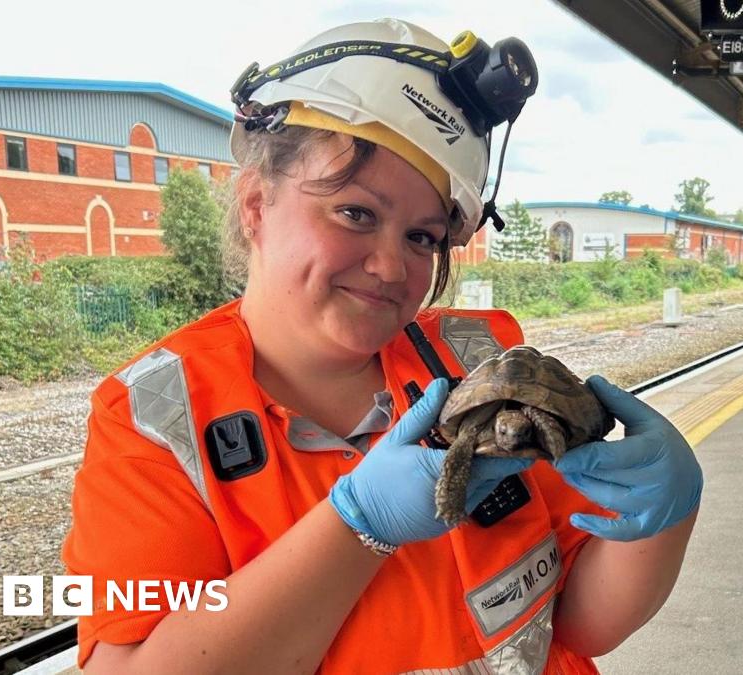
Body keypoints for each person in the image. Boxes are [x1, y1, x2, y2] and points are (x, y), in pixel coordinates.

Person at [62, 18, 702, 675]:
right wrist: (357, 526)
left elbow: (581, 620)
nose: (394, 268)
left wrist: (661, 520)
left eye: (423, 237)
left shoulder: (473, 361)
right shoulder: (157, 420)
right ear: (256, 203)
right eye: (356, 214)